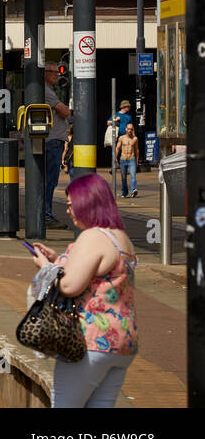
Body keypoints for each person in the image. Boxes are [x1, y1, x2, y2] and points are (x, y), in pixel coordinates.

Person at [28, 173, 137, 408]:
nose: (68, 211)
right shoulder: (120, 238)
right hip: (123, 341)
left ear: (87, 202)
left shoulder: (92, 236)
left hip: (90, 340)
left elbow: (69, 286)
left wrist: (46, 267)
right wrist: (59, 260)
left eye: (71, 205)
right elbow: (98, 277)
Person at [43, 61, 73, 228]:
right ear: (44, 73)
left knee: (50, 180)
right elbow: (64, 111)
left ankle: (45, 214)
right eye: (52, 72)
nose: (57, 75)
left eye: (58, 72)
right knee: (50, 181)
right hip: (52, 141)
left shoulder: (49, 90)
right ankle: (46, 216)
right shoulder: (45, 90)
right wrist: (67, 112)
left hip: (53, 141)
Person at [114, 123, 139, 199]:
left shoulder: (135, 139)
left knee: (133, 176)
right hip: (123, 159)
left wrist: (137, 161)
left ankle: (133, 191)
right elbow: (117, 148)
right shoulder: (121, 138)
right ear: (126, 129)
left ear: (133, 130)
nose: (130, 130)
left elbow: (136, 150)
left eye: (131, 129)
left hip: (131, 159)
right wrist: (115, 157)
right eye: (128, 129)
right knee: (123, 178)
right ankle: (124, 192)